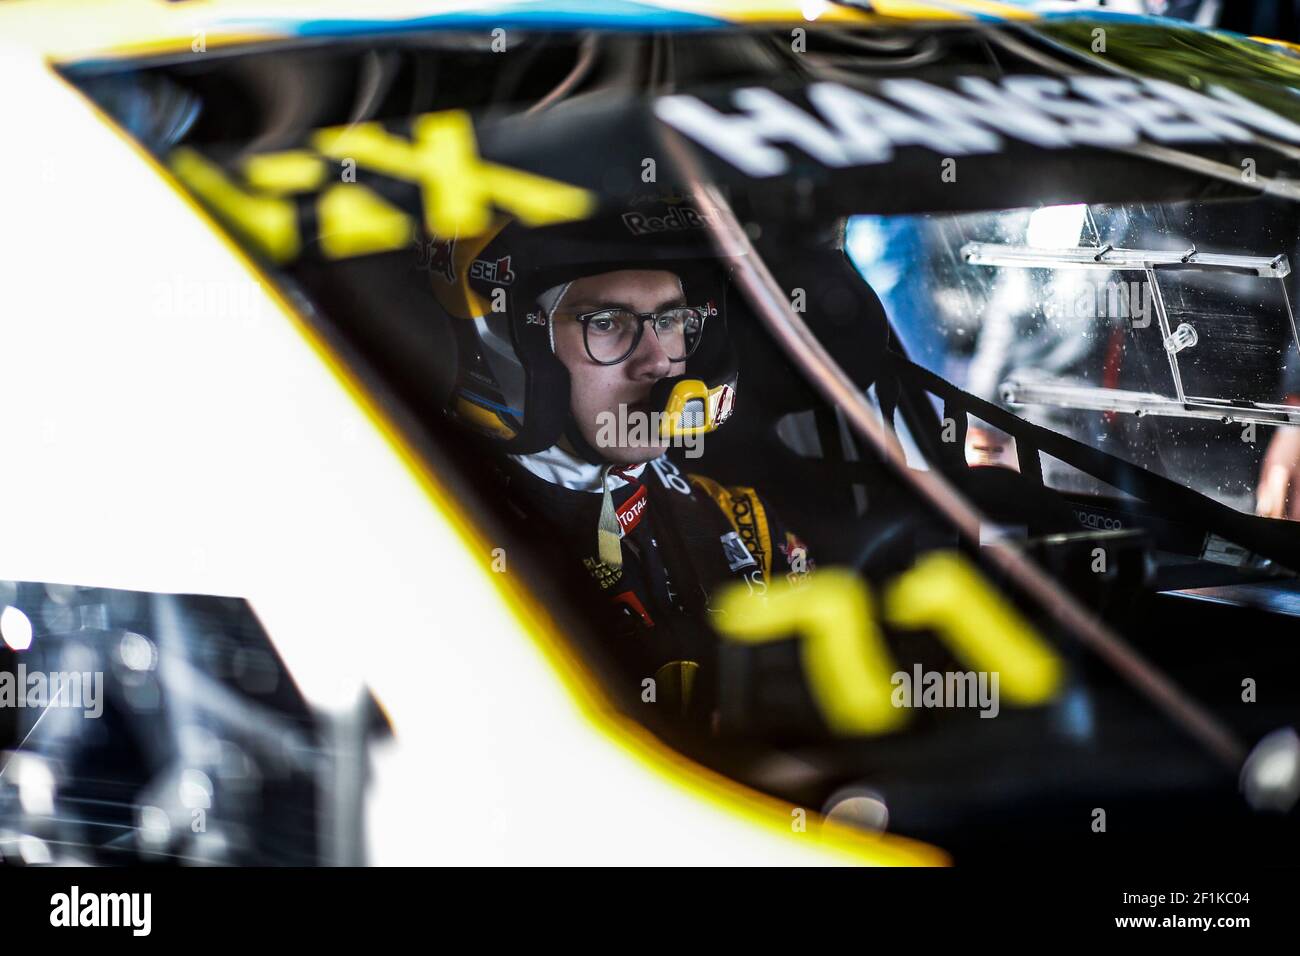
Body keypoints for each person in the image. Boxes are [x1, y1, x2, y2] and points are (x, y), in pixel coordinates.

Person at [429, 202, 813, 716]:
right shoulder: (441, 546)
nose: (657, 362)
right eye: (606, 322)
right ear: (513, 345)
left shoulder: (740, 523)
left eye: (672, 319)